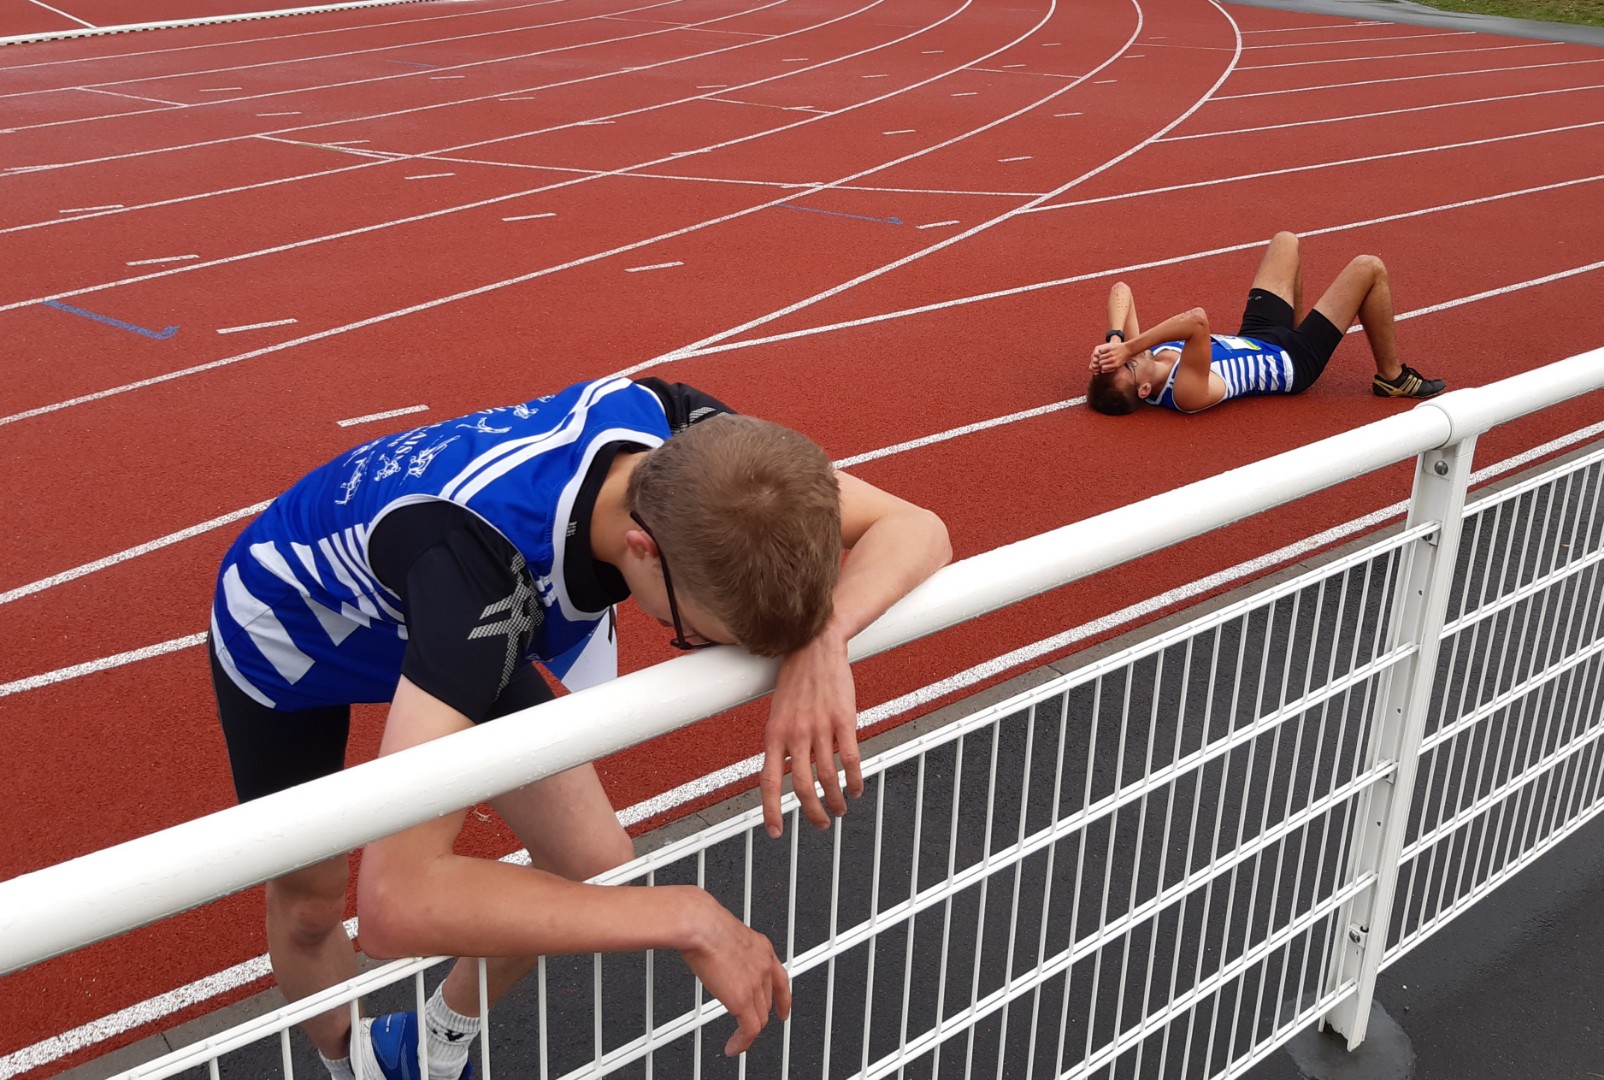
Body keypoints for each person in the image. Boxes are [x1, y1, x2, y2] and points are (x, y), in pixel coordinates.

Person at [208, 375, 951, 1080]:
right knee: (313, 898)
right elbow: (393, 911)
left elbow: (919, 526)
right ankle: (356, 1068)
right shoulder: (480, 588)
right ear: (643, 549)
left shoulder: (711, 453)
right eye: (701, 635)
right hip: (295, 630)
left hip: (445, 601)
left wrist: (821, 642)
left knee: (591, 859)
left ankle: (431, 1047)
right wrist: (684, 915)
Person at [1084, 231, 1446, 415]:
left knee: (1284, 242)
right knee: (1370, 267)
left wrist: (1116, 337)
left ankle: (1300, 325)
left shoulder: (1146, 361)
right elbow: (1196, 321)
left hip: (1258, 337)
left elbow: (1122, 289)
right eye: (1128, 365)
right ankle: (1392, 377)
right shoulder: (1184, 393)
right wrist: (1130, 347)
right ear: (1144, 390)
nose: (1127, 356)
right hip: (1293, 361)